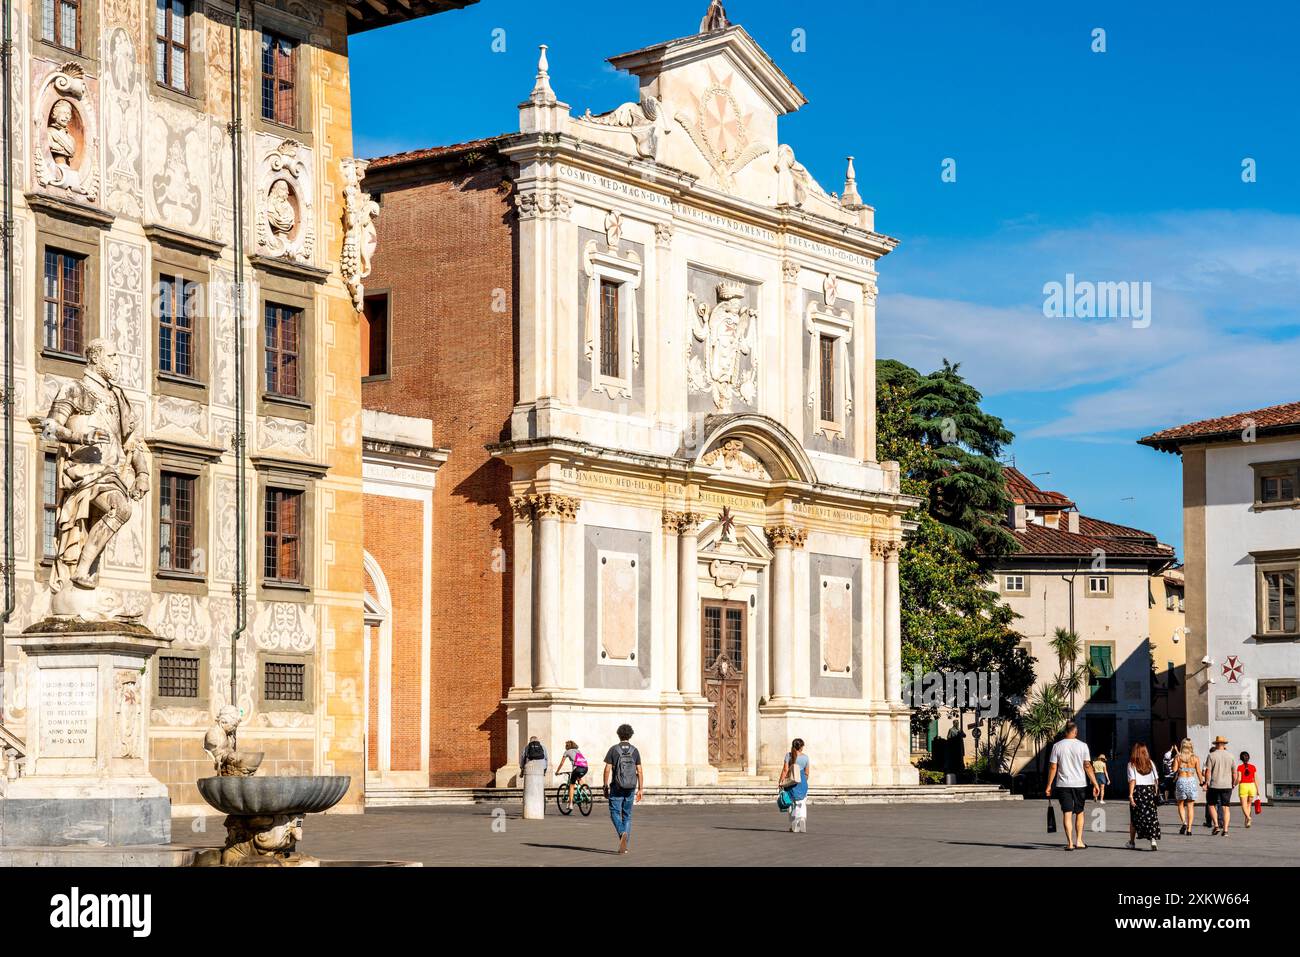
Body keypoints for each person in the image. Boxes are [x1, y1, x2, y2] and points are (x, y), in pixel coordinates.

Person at [1044, 722, 1101, 851]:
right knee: (1079, 812)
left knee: (1067, 813)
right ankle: (1079, 841)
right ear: (1075, 732)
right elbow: (1087, 766)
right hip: (1080, 784)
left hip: (1063, 785)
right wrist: (1095, 783)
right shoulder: (1083, 746)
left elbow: (1053, 767)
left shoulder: (1057, 746)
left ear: (1065, 732)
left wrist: (1049, 785)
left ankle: (1069, 843)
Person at [603, 724, 643, 854]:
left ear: (618, 734)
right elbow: (640, 771)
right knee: (627, 815)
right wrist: (641, 789)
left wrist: (605, 785)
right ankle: (624, 846)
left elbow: (607, 769)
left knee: (614, 812)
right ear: (630, 735)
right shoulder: (635, 750)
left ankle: (622, 833)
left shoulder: (613, 750)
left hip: (617, 786)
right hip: (631, 787)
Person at [1125, 742, 1161, 851]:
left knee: (1135, 818)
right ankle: (1153, 840)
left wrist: (1131, 795)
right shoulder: (1151, 763)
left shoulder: (1131, 764)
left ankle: (1132, 842)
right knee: (1151, 816)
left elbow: (1132, 780)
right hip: (1150, 791)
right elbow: (1156, 780)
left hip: (1138, 791)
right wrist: (1155, 793)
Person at [1204, 735, 1237, 836]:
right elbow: (1234, 772)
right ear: (1224, 744)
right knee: (1226, 807)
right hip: (1227, 785)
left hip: (1214, 784)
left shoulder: (1211, 755)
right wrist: (1234, 782)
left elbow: (1208, 771)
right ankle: (1226, 830)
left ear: (1216, 744)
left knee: (1211, 804)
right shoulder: (1231, 756)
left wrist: (1206, 783)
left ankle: (1216, 826)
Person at [779, 738, 811, 833]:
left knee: (792, 803)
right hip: (802, 781)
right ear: (801, 747)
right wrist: (803, 782)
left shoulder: (788, 756)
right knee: (802, 801)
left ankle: (794, 825)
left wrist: (780, 782)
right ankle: (802, 818)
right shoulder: (806, 758)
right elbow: (807, 773)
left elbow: (785, 770)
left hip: (791, 782)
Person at [1172, 737, 1202, 835]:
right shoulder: (1195, 758)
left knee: (1180, 804)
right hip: (1191, 781)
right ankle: (1189, 829)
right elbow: (1198, 772)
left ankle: (1184, 822)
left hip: (1181, 780)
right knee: (1190, 806)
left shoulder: (1178, 757)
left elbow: (1174, 770)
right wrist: (1202, 782)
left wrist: (1175, 761)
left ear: (1182, 746)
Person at [554, 740, 588, 808]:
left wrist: (557, 771)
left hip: (577, 769)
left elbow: (562, 763)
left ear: (567, 746)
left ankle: (570, 804)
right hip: (585, 768)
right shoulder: (578, 751)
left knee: (571, 785)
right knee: (578, 778)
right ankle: (586, 791)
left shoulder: (567, 752)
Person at [1237, 751, 1258, 828]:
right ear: (1248, 758)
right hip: (1252, 786)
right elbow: (1256, 779)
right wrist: (1257, 790)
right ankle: (1247, 822)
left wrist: (1234, 784)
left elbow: (1239, 779)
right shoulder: (1253, 767)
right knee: (1249, 804)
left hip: (1243, 786)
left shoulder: (1240, 767)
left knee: (1243, 805)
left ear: (1241, 759)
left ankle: (1248, 818)